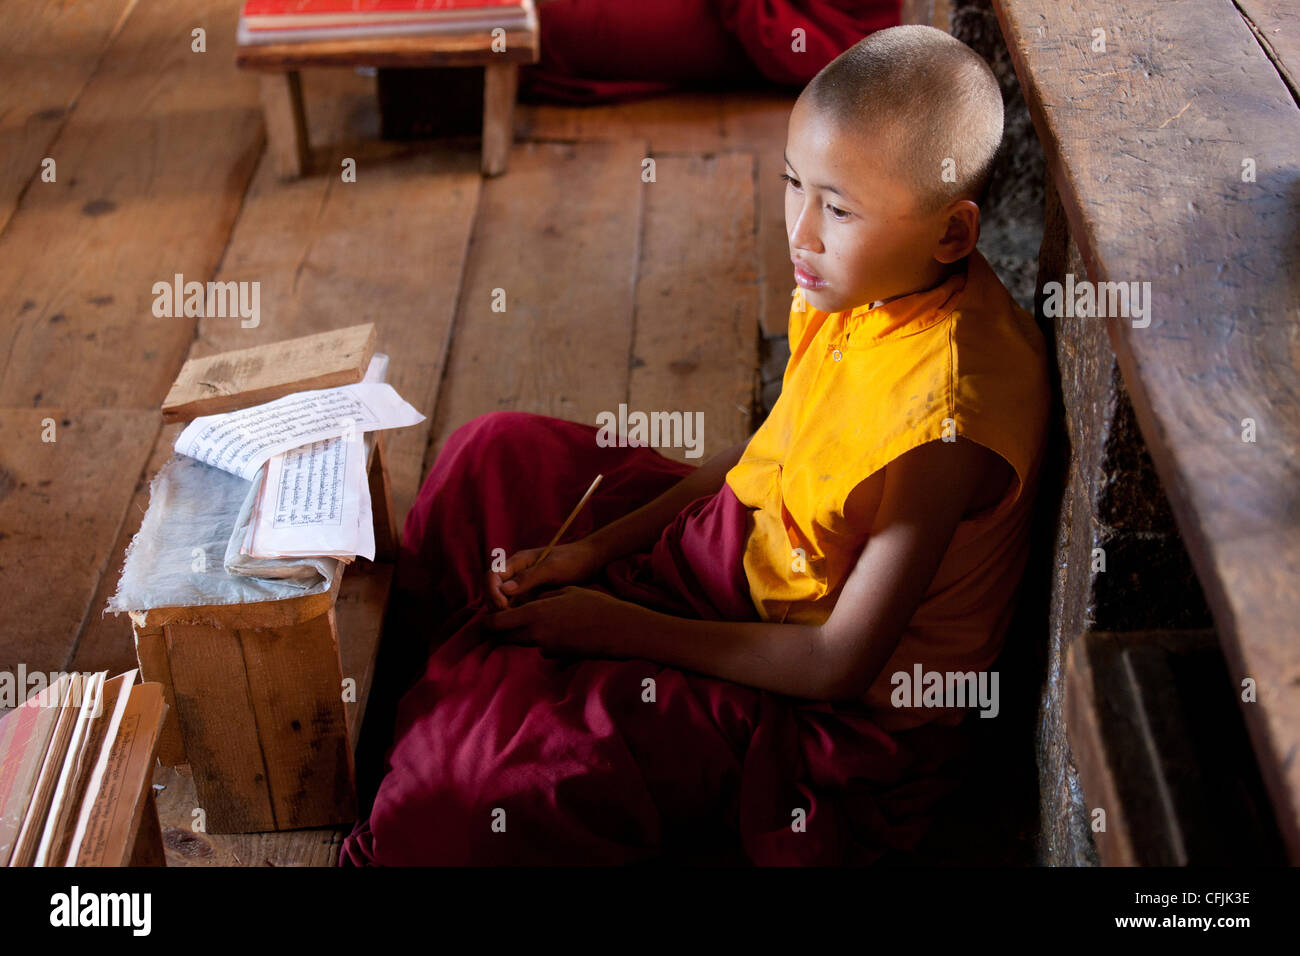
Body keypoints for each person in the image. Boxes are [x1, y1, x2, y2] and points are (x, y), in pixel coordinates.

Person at [341, 24, 1051, 866]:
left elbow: (835, 665)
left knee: (479, 786)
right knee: (490, 456)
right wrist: (594, 550)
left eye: (841, 208)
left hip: (807, 707)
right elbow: (765, 456)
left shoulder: (942, 424)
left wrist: (617, 625)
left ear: (953, 234)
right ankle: (466, 693)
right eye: (795, 185)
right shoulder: (874, 283)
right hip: (742, 559)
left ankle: (461, 718)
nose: (803, 232)